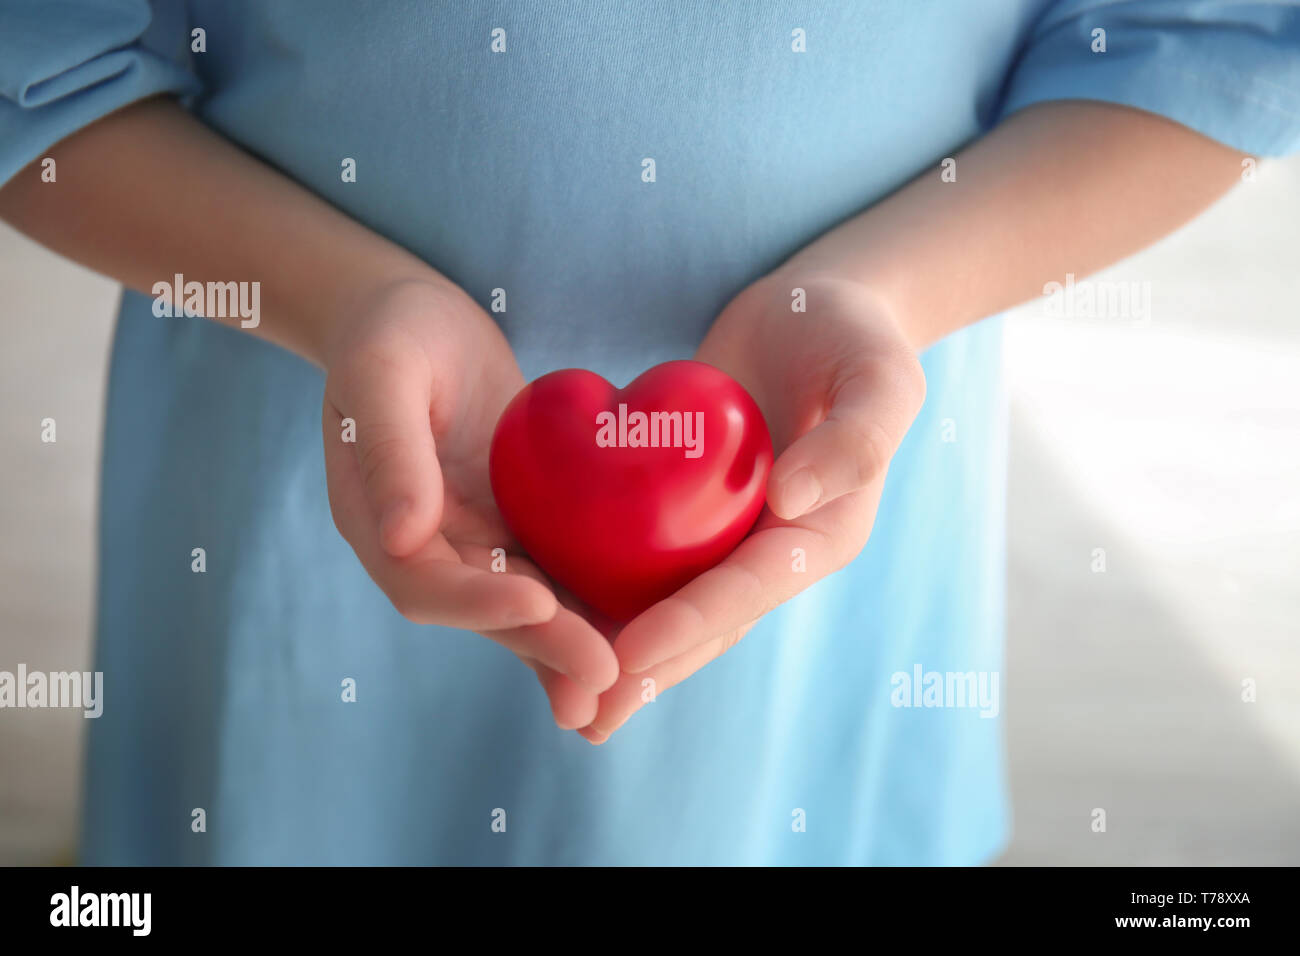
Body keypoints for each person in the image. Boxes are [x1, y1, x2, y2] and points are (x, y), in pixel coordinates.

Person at [1, 1, 1296, 865]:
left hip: (819, 493)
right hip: (301, 467)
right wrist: (343, 306)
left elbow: (1207, 39)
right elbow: (37, 59)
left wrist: (887, 297)